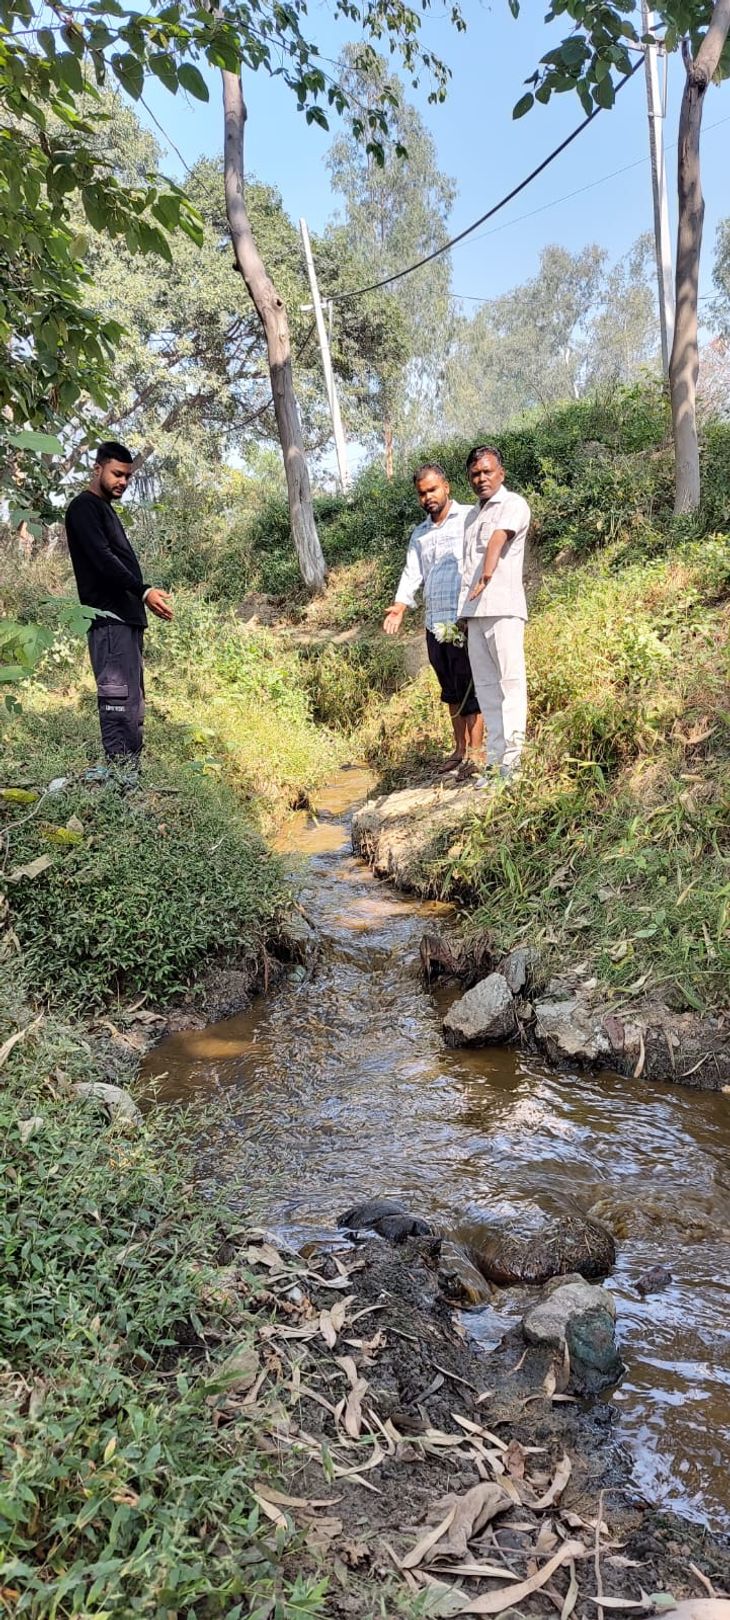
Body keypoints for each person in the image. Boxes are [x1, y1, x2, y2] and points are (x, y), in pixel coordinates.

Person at [65, 441, 173, 768]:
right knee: (118, 705)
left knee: (133, 706)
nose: (123, 482)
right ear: (97, 469)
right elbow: (102, 560)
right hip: (110, 622)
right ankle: (122, 789)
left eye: (127, 476)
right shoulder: (84, 507)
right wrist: (143, 591)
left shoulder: (104, 510)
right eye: (117, 474)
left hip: (124, 623)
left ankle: (130, 781)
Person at [383, 462, 484, 773]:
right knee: (450, 690)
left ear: (446, 487)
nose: (428, 497)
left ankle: (476, 754)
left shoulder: (469, 517)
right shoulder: (420, 533)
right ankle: (459, 750)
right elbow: (412, 573)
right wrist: (400, 606)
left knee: (471, 688)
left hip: (463, 621)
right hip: (434, 624)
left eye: (432, 490)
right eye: (422, 493)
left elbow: (482, 558)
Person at [458, 445, 530, 785]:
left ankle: (513, 768)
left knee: (511, 686)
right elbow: (464, 568)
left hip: (503, 609)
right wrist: (462, 615)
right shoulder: (471, 517)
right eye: (475, 474)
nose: (481, 478)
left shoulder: (513, 504)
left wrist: (488, 574)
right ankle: (496, 763)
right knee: (487, 691)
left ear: (500, 473)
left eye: (487, 471)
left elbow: (499, 538)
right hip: (475, 615)